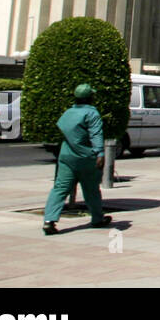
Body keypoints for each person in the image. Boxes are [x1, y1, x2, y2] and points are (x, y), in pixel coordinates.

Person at [42, 83, 112, 234]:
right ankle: (97, 218)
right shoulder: (91, 113)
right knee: (91, 189)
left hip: (67, 155)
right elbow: (95, 134)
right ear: (90, 98)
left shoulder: (68, 113)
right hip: (86, 157)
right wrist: (100, 153)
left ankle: (49, 220)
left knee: (60, 188)